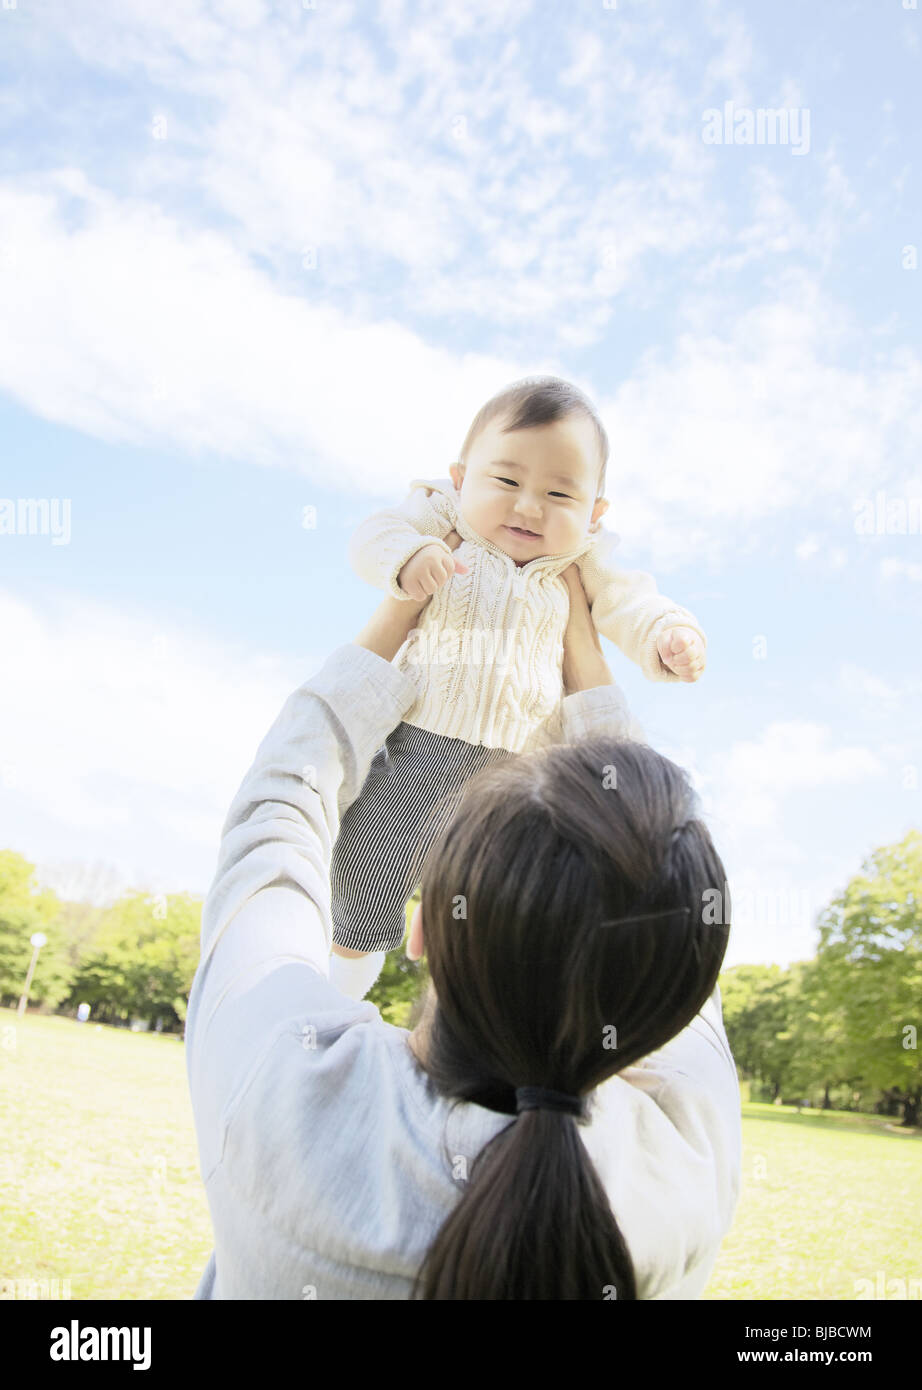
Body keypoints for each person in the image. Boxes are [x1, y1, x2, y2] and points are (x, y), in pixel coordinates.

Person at [185, 567, 740, 1300]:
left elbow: (278, 814)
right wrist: (582, 627)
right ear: (671, 998)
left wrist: (400, 612)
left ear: (421, 932)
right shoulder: (686, 1167)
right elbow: (655, 897)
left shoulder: (283, 1082)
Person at [330, 375, 707, 992]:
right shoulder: (442, 518)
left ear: (594, 513)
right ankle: (341, 988)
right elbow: (371, 537)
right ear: (460, 478)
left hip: (528, 770)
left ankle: (474, 1005)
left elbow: (630, 602)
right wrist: (406, 560)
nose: (528, 506)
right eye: (506, 481)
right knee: (370, 867)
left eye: (560, 494)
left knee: (498, 904)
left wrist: (668, 635)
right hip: (423, 741)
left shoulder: (582, 560)